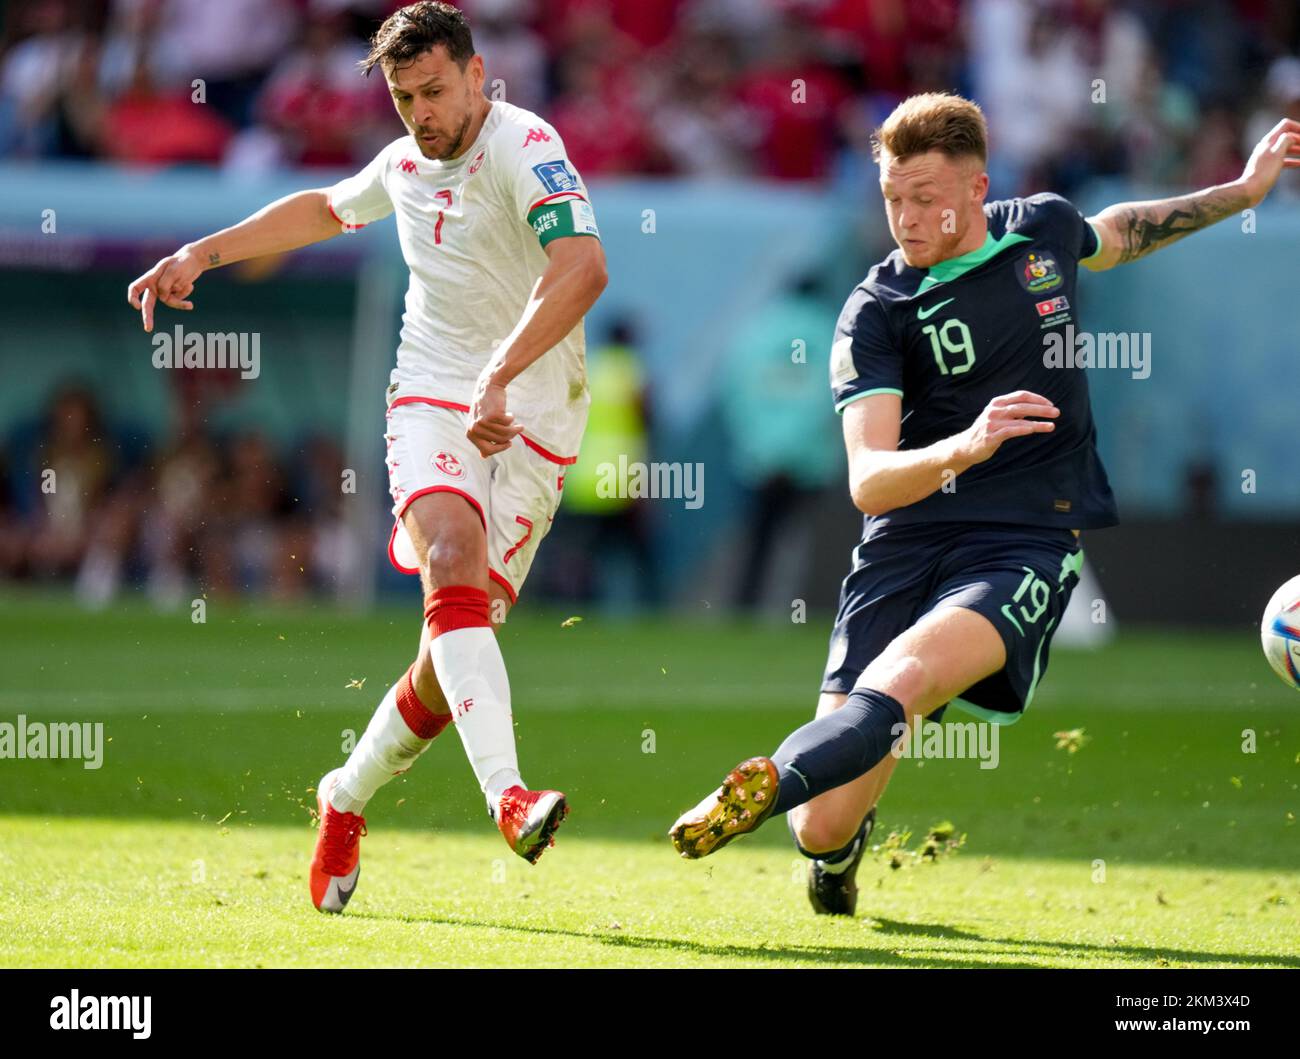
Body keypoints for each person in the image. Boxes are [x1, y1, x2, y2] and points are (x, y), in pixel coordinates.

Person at [668, 92, 1300, 916]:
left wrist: (1244, 193)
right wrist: (965, 445)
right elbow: (869, 480)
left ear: (976, 189)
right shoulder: (876, 310)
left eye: (925, 198)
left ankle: (764, 782)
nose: (906, 217)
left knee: (905, 676)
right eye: (893, 197)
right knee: (822, 826)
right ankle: (833, 834)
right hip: (904, 541)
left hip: (1021, 537)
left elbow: (1129, 227)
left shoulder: (1041, 229)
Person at [126, 1, 607, 914]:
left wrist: (502, 374)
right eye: (402, 98)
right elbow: (324, 207)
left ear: (477, 75)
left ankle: (343, 795)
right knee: (452, 569)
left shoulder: (525, 145)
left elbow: (583, 267)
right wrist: (200, 253)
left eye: (434, 91)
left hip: (533, 414)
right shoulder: (403, 162)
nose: (422, 114)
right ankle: (509, 797)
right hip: (431, 395)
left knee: (447, 657)